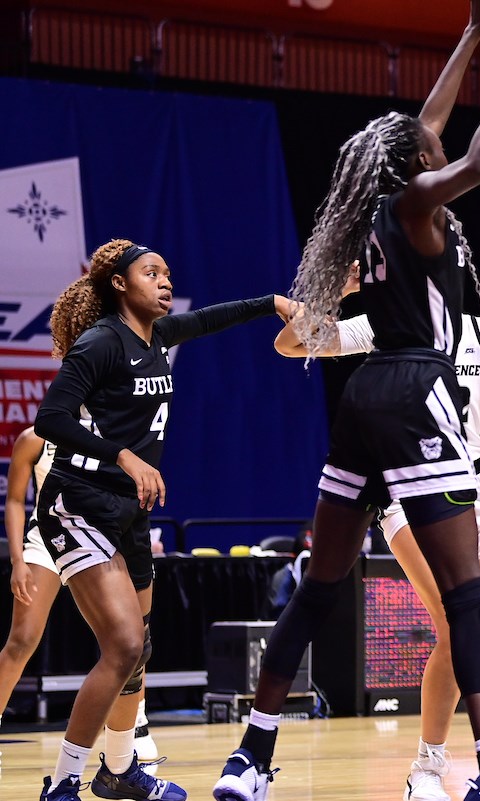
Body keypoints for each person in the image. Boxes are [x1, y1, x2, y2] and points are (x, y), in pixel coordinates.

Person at [212, 5, 480, 801]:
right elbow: (474, 159)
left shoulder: (374, 204)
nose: (434, 132)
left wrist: (470, 38)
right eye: (426, 142)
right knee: (468, 598)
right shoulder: (418, 202)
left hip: (362, 395)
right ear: (416, 164)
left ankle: (249, 760)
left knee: (320, 584)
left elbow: (430, 127)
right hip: (417, 392)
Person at [274, 275, 480, 798]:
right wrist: (344, 290)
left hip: (474, 489)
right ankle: (427, 767)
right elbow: (290, 343)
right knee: (454, 625)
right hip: (406, 492)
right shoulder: (386, 327)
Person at [32, 238, 289, 801]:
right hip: (78, 502)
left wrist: (271, 301)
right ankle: (64, 780)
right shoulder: (101, 343)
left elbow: (210, 319)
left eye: (169, 273)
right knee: (123, 647)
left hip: (127, 512)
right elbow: (50, 417)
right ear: (120, 284)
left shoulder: (157, 337)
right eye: (152, 273)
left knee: (139, 649)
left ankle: (119, 771)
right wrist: (122, 454)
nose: (165, 281)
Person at [2, 426, 159, 769]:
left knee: (133, 636)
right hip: (47, 536)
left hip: (97, 538)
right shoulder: (33, 438)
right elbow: (15, 500)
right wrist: (17, 560)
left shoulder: (112, 434)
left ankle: (137, 725)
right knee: (22, 639)